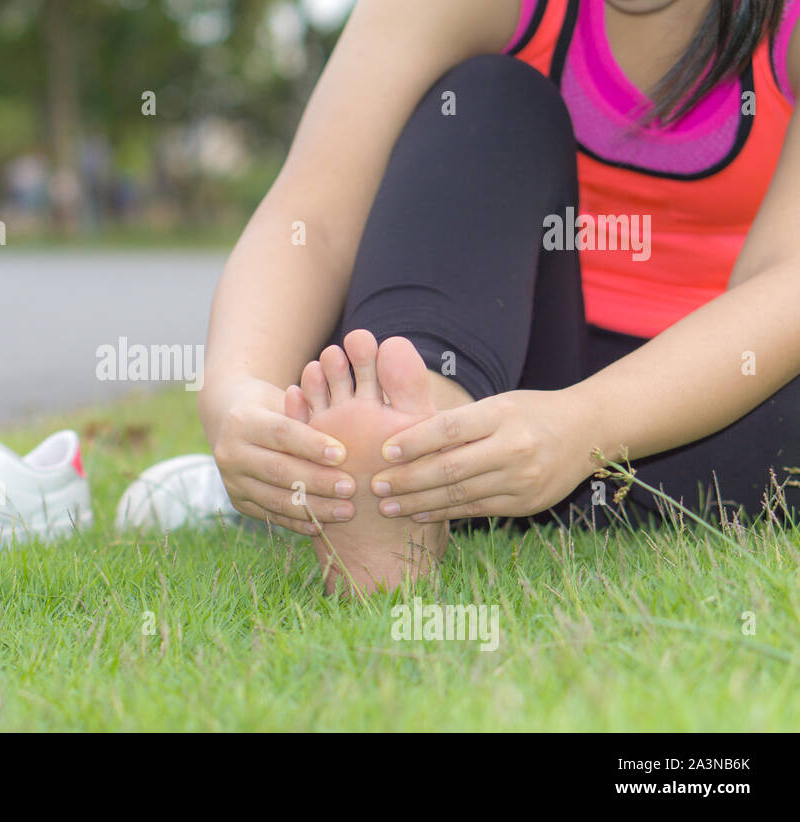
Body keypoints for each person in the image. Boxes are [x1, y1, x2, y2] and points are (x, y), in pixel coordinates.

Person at [181, 0, 800, 595]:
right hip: (498, 371)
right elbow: (311, 215)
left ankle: (421, 477)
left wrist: (583, 428)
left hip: (701, 403)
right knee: (490, 102)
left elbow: (785, 281)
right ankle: (416, 449)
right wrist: (238, 396)